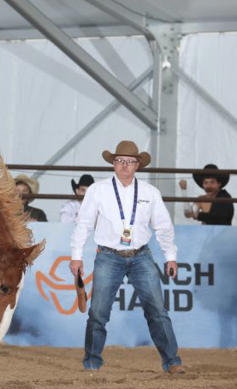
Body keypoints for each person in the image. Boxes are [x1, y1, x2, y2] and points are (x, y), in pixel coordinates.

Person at [69, 140, 183, 374]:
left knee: (157, 310)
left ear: (137, 165)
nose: (124, 166)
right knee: (98, 312)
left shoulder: (150, 193)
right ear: (113, 163)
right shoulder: (97, 190)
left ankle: (172, 361)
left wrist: (170, 256)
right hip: (108, 255)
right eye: (120, 161)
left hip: (141, 255)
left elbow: (163, 226)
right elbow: (84, 224)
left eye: (130, 162)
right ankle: (92, 362)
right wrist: (76, 256)